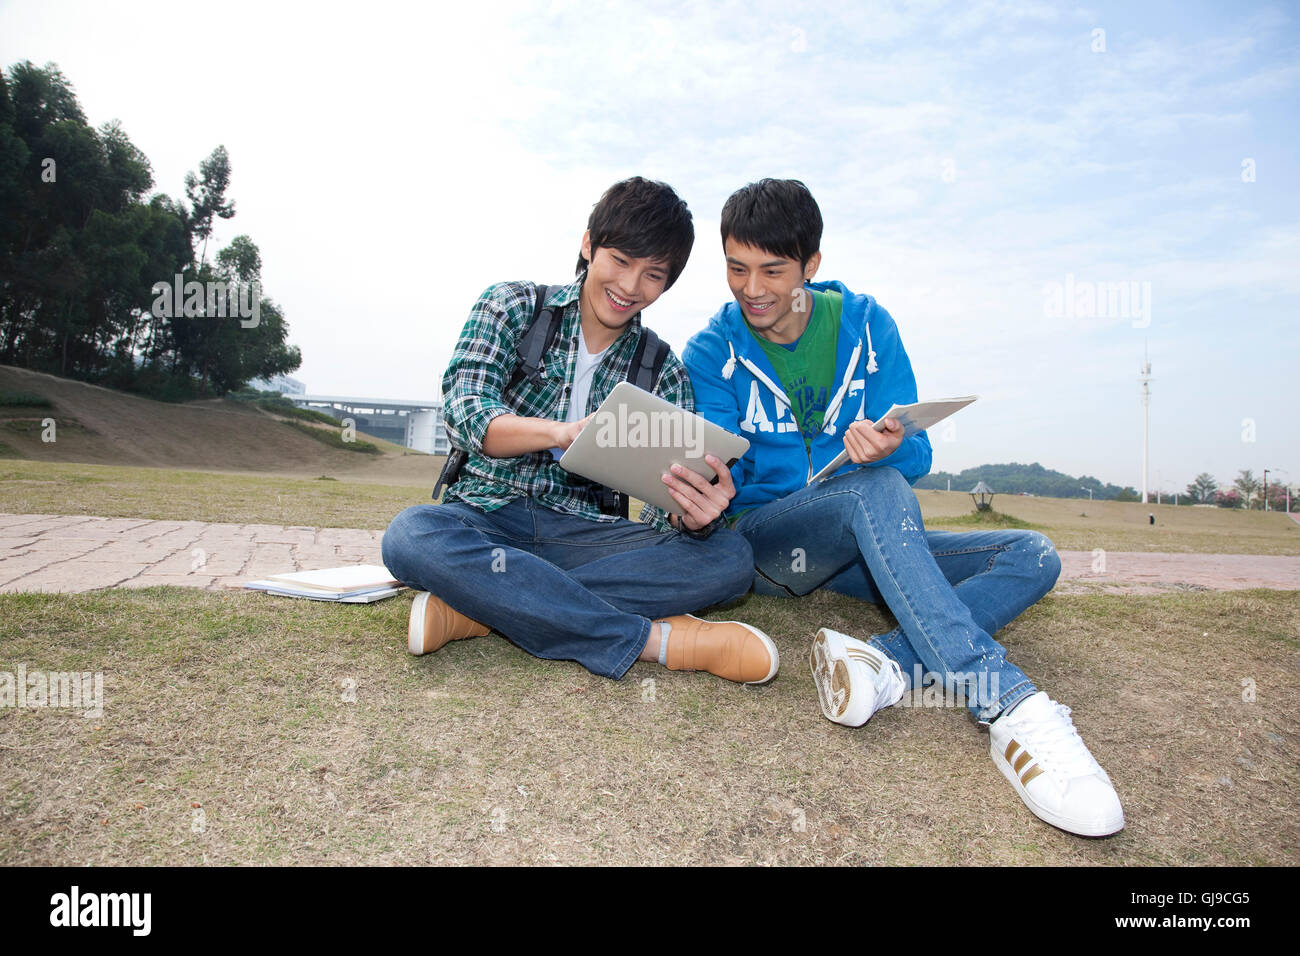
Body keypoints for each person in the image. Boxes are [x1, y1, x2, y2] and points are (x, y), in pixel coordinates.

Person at [681, 178, 1123, 836]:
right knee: (875, 490)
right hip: (771, 545)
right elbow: (718, 469)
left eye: (772, 270)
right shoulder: (711, 350)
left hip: (864, 544)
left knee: (1030, 554)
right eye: (736, 268)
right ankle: (1004, 703)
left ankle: (885, 664)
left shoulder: (868, 326)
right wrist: (705, 489)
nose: (752, 289)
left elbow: (916, 459)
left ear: (812, 265)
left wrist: (882, 449)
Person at [381, 177, 778, 686]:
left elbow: (661, 517)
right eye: (620, 260)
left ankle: (477, 608)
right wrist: (559, 433)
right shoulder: (513, 306)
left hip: (586, 534)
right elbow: (465, 412)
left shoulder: (664, 370)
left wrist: (692, 517)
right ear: (589, 244)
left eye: (653, 274)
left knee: (728, 558)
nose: (631, 286)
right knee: (411, 535)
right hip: (484, 515)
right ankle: (655, 642)